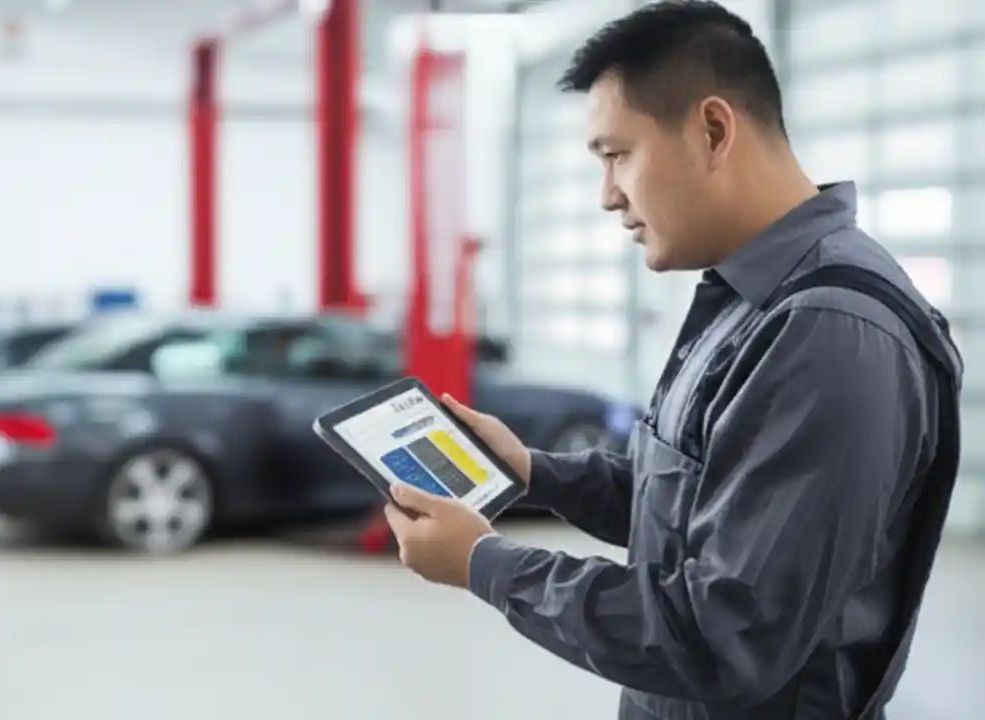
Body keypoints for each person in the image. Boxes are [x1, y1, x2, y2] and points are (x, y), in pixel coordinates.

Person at [382, 3, 962, 719]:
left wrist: (487, 564)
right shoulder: (751, 300)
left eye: (617, 155)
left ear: (713, 131)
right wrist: (533, 472)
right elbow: (697, 506)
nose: (607, 196)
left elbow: (721, 636)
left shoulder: (830, 334)